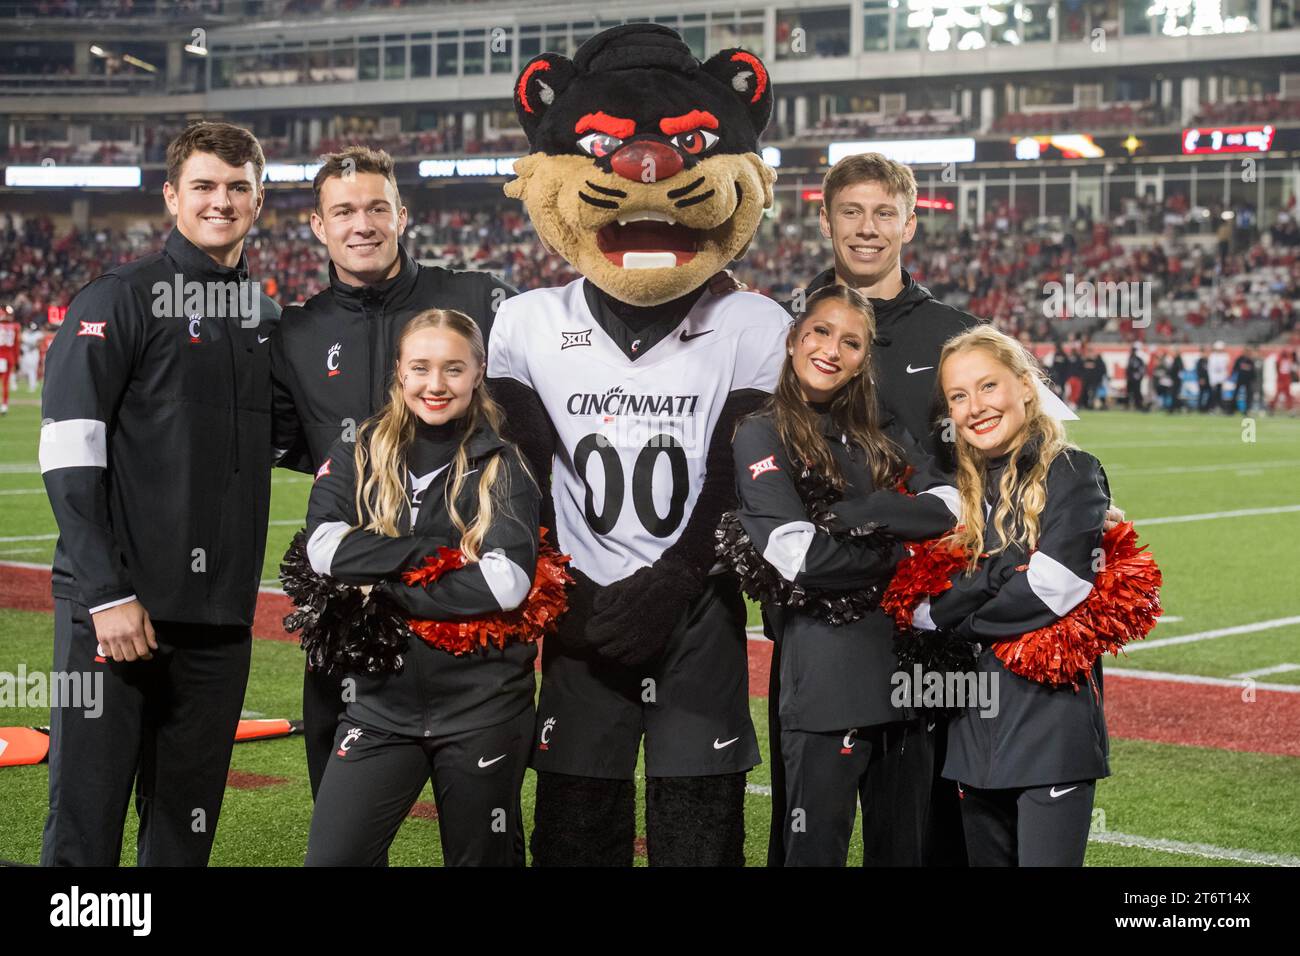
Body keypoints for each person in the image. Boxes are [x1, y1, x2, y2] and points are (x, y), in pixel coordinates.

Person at [38, 122, 281, 866]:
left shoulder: (264, 315)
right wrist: (105, 594)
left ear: (259, 199)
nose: (222, 201)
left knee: (186, 830)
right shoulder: (119, 295)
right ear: (173, 195)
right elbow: (68, 455)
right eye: (204, 186)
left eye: (238, 187)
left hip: (219, 622)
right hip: (117, 616)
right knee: (86, 822)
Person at [269, 146, 517, 801]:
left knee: (480, 826)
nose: (363, 224)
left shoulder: (474, 298)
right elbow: (285, 442)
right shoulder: (296, 332)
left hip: (465, 591)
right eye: (343, 211)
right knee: (341, 812)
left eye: (378, 207)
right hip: (350, 604)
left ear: (402, 215)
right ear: (319, 227)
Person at [722, 285, 959, 865]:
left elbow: (954, 504)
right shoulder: (762, 431)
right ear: (795, 339)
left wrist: (872, 512)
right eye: (821, 332)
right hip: (828, 679)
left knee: (904, 852)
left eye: (850, 342)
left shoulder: (879, 434)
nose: (832, 349)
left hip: (908, 679)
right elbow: (798, 556)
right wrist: (905, 555)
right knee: (814, 850)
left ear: (863, 359)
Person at [788, 152, 980, 866]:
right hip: (819, 622)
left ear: (909, 224)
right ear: (825, 219)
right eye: (851, 212)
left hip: (929, 624)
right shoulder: (793, 328)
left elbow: (1023, 447)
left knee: (918, 837)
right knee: (811, 832)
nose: (867, 229)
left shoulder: (957, 333)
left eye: (884, 213)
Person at [298, 309, 542, 866]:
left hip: (483, 707)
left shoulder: (503, 465)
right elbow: (324, 549)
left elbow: (506, 583)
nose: (436, 385)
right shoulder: (360, 447)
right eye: (422, 368)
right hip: (378, 705)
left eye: (453, 369)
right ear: (400, 372)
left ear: (478, 372)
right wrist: (438, 559)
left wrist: (380, 586)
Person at [918, 325, 1116, 866]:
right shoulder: (955, 492)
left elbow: (1053, 587)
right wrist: (954, 603)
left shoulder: (1072, 471)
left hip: (1050, 730)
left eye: (988, 387)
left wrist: (953, 617)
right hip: (972, 736)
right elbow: (917, 603)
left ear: (1026, 387)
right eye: (959, 396)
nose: (974, 407)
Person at [1231, 346, 1259, 413]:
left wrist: (1253, 380)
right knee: (1235, 394)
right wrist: (1234, 378)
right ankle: (1232, 409)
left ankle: (1246, 410)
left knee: (1248, 395)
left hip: (1248, 381)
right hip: (1240, 380)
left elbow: (1253, 372)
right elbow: (1235, 369)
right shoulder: (1240, 359)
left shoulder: (1250, 361)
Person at [1271, 349, 1296, 414]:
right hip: (1281, 379)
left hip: (1286, 379)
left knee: (1288, 395)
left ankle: (1290, 409)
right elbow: (1277, 366)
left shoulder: (1289, 360)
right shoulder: (1280, 359)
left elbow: (1291, 369)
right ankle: (1272, 408)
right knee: (1278, 394)